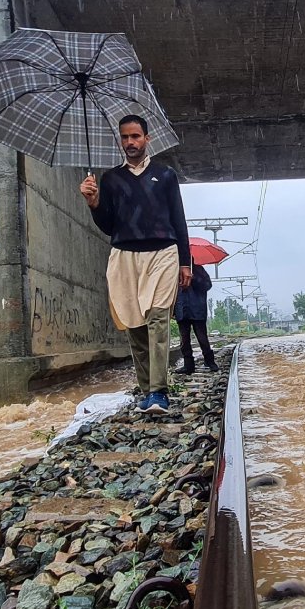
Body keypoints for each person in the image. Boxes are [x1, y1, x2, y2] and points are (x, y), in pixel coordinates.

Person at [80, 114, 191, 415]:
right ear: (121, 140)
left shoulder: (165, 175)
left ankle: (159, 393)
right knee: (134, 325)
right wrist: (93, 204)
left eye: (136, 136)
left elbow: (179, 221)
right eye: (125, 137)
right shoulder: (110, 179)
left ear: (147, 138)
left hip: (162, 253)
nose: (130, 142)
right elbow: (108, 225)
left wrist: (185, 263)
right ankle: (146, 391)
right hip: (124, 256)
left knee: (157, 318)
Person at [175, 264, 218, 374]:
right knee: (184, 340)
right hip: (182, 308)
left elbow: (208, 285)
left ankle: (210, 362)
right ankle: (188, 365)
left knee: (202, 337)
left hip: (197, 309)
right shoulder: (175, 270)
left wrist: (194, 278)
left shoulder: (198, 269)